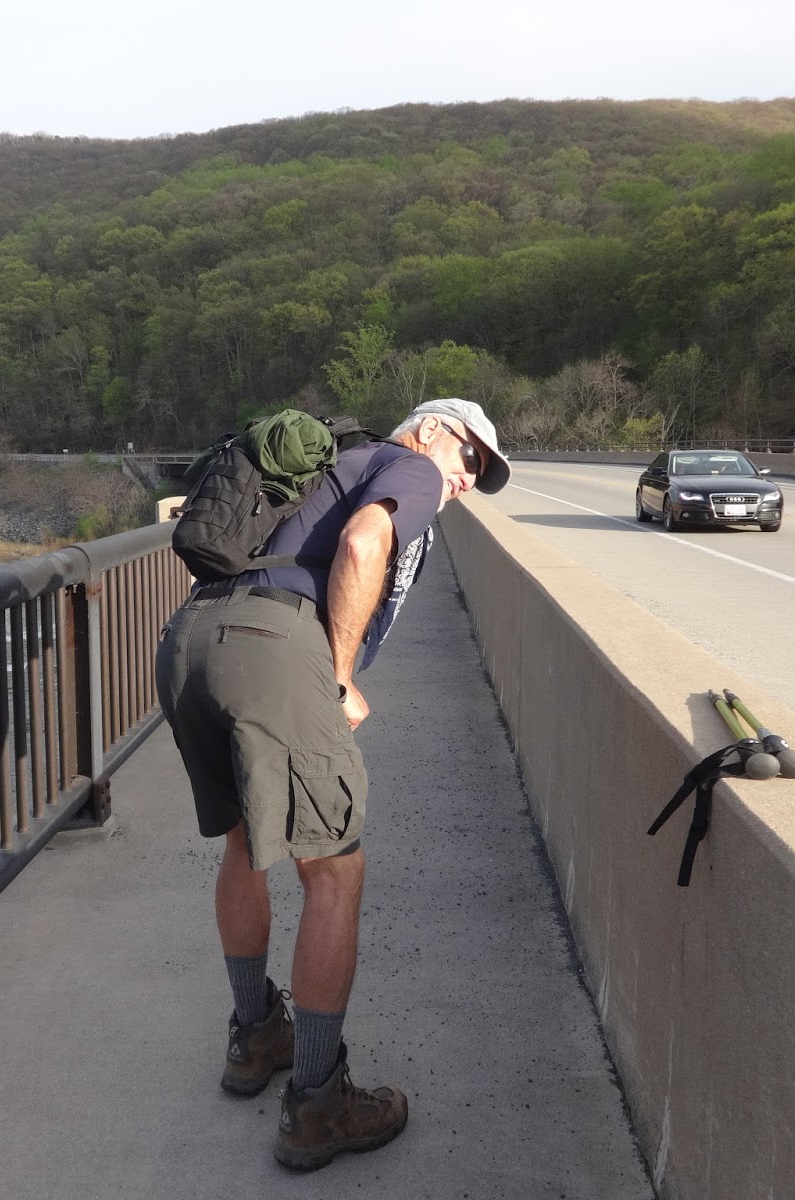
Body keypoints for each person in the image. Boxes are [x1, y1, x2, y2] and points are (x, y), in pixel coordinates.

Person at [156, 398, 511, 1170]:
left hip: (191, 637)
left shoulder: (325, 468)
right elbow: (362, 544)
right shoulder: (407, 464)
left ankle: (256, 1038)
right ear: (434, 430)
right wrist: (340, 677)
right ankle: (317, 1102)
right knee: (334, 872)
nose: (465, 481)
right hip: (274, 648)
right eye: (471, 460)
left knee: (245, 844)